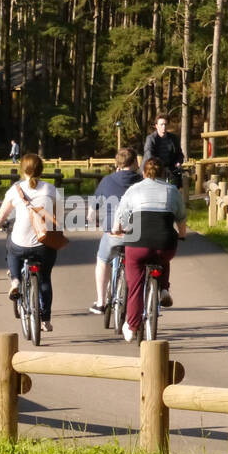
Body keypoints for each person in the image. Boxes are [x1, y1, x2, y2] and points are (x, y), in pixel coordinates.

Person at [112, 157, 187, 342]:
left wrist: (117, 229)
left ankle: (132, 325)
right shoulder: (172, 191)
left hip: (138, 243)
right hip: (165, 243)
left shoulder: (134, 189)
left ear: (144, 173)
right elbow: (181, 218)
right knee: (163, 258)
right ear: (164, 174)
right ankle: (163, 289)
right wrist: (182, 234)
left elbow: (121, 215)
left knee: (135, 286)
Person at [0, 153, 63, 332]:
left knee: (12, 248)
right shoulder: (50, 189)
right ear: (41, 170)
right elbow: (59, 216)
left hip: (21, 243)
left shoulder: (15, 190)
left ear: (22, 170)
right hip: (43, 245)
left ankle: (15, 281)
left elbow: (2, 215)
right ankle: (45, 320)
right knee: (45, 279)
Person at [88, 147, 142, 314]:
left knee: (102, 260)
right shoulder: (141, 181)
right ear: (134, 162)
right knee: (141, 264)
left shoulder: (107, 181)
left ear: (117, 163)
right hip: (137, 232)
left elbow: (92, 210)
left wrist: (94, 219)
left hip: (113, 232)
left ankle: (101, 302)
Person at [142, 115, 184, 185]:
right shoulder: (151, 139)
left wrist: (178, 162)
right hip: (153, 170)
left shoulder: (174, 138)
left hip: (171, 170)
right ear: (156, 126)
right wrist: (161, 168)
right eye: (161, 124)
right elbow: (149, 155)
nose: (164, 127)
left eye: (165, 124)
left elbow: (180, 154)